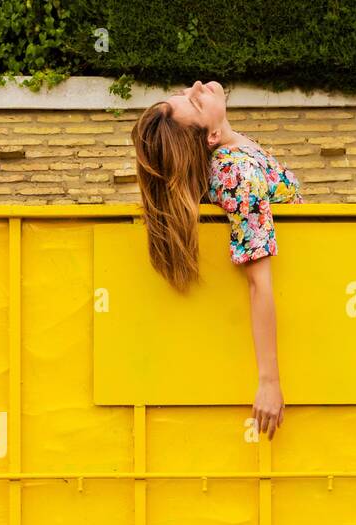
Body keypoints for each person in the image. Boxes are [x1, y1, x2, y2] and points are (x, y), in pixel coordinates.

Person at [130, 80, 304, 439]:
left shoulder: (234, 156)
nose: (196, 86)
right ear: (209, 138)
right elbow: (258, 281)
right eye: (193, 102)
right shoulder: (235, 174)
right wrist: (269, 382)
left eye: (184, 94)